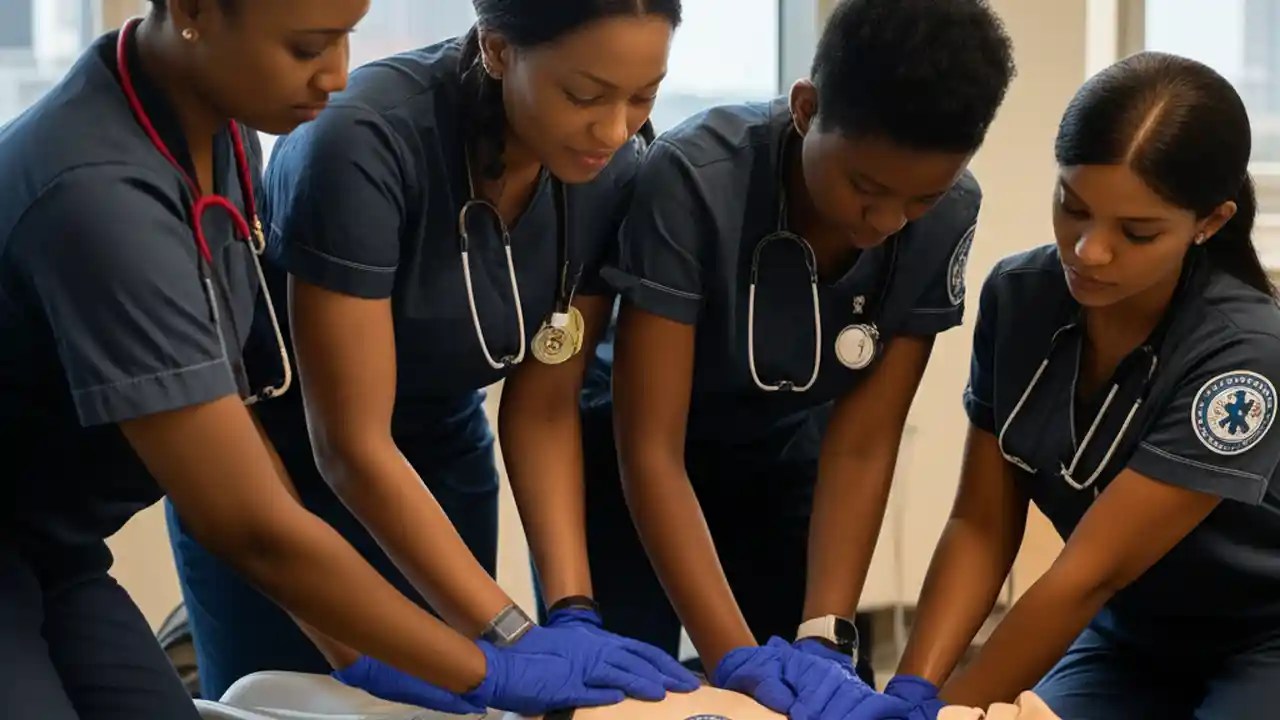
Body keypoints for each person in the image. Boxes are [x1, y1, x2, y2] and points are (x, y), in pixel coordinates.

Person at [0, 1, 706, 718]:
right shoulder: (103, 196)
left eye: (346, 37)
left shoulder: (219, 130)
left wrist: (547, 618)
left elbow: (239, 409)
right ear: (191, 11)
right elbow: (251, 517)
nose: (337, 74)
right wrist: (487, 663)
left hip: (61, 552)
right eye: (309, 46)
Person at [577, 0, 1015, 714]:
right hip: (633, 462)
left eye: (921, 198)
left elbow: (864, 443)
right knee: (625, 694)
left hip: (783, 456)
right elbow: (650, 450)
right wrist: (733, 659)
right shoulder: (696, 178)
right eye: (865, 188)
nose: (886, 222)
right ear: (807, 108)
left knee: (822, 686)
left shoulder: (949, 213)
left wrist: (824, 632)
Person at [882, 52, 1280, 720]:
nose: (1089, 250)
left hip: (1264, 637)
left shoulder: (1245, 353)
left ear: (1209, 222)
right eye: (1073, 206)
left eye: (1137, 233)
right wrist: (914, 694)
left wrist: (944, 714)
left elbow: (1090, 572)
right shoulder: (1019, 298)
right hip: (1131, 638)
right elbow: (980, 526)